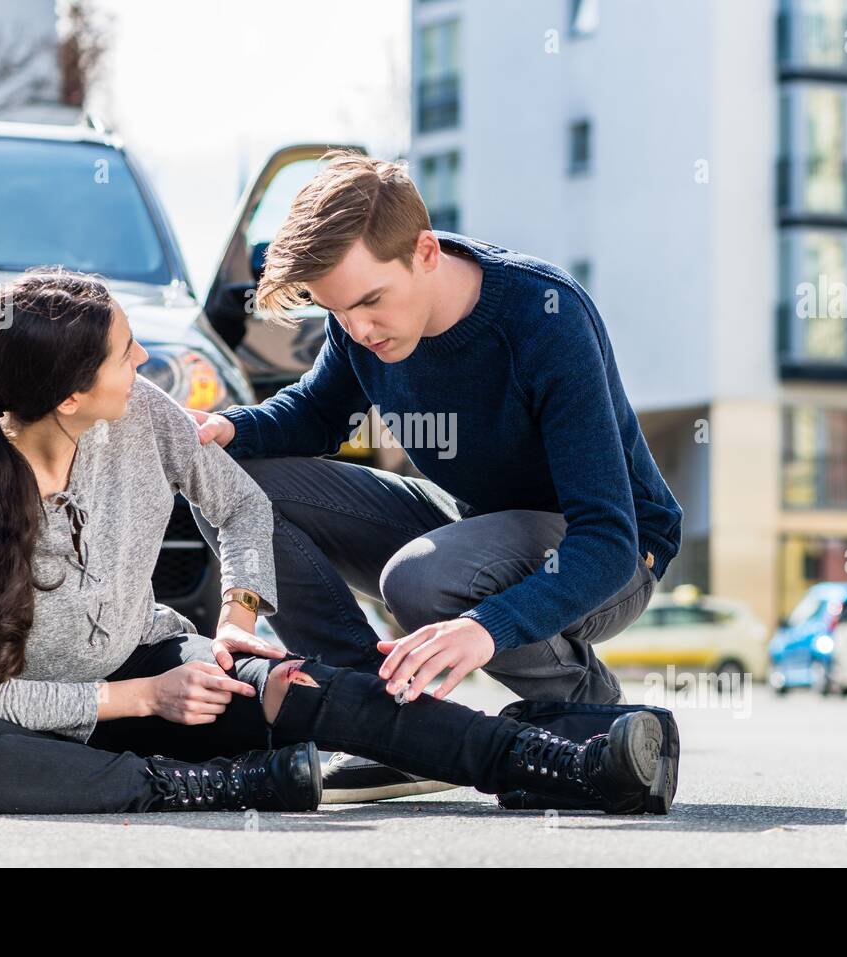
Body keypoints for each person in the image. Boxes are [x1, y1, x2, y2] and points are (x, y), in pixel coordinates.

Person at [0, 268, 678, 816]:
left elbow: (240, 503)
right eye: (124, 354)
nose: (141, 361)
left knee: (310, 688)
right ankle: (201, 786)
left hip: (158, 670)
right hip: (45, 722)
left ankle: (563, 760)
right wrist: (136, 700)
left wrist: (237, 615)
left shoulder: (141, 414)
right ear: (69, 395)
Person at [189, 150, 683, 802]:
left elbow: (608, 536)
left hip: (613, 555)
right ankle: (383, 715)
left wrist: (487, 626)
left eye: (370, 301)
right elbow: (314, 414)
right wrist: (229, 430)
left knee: (425, 580)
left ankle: (584, 710)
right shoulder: (358, 325)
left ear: (425, 252)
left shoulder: (543, 317)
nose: (359, 329)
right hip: (474, 529)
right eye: (338, 312)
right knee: (223, 478)